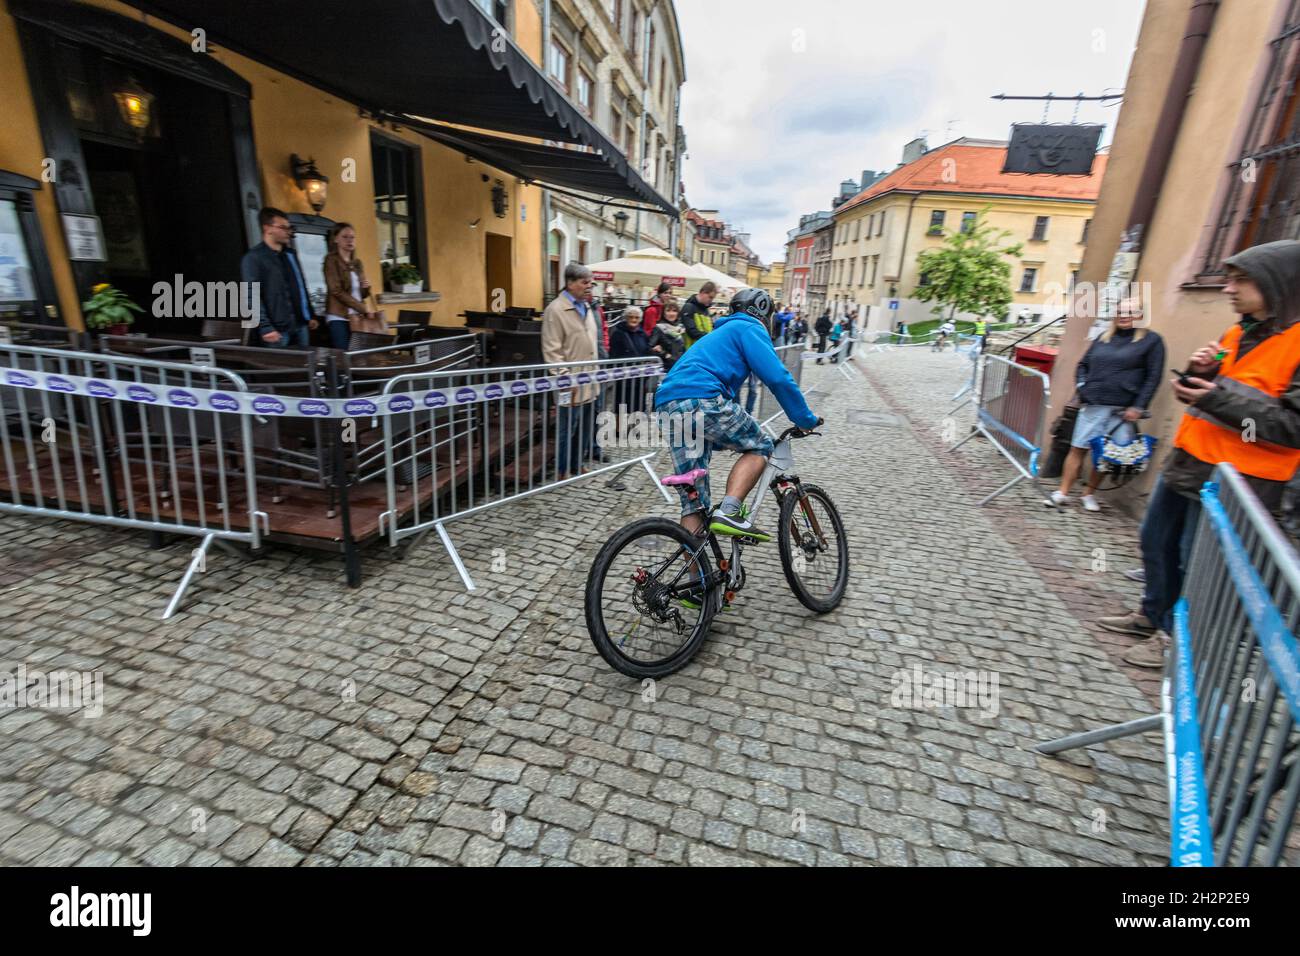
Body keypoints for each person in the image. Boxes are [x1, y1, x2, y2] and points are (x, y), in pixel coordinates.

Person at [1098, 240, 1300, 669]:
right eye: (1228, 278)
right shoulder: (1240, 332)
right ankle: (1152, 615)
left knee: (1201, 564)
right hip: (1192, 461)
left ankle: (1177, 642)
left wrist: (1215, 395)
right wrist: (1198, 376)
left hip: (1242, 478)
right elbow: (1219, 393)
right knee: (1158, 543)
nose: (1229, 288)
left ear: (1280, 284)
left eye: (1242, 280)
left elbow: (1292, 427)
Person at [654, 288, 821, 546]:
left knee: (693, 503)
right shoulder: (749, 328)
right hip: (701, 399)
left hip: (669, 404)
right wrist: (805, 419)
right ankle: (730, 511)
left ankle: (695, 580)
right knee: (760, 445)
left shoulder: (720, 332)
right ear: (764, 313)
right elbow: (777, 378)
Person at [1049, 298, 1165, 512]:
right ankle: (1063, 492)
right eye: (1120, 311)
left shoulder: (1151, 341)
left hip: (1122, 409)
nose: (1123, 315)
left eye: (1129, 312)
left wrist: (1138, 406)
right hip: (1094, 404)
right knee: (1078, 448)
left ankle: (1088, 493)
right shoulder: (1103, 338)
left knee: (1107, 454)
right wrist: (1083, 387)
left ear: (1140, 315)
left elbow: (1153, 377)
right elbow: (1083, 365)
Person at [541, 262, 600, 481]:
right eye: (585, 282)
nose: (589, 287)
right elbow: (552, 351)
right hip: (569, 383)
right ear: (570, 283)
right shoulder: (556, 310)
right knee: (567, 428)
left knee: (585, 426)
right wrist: (564, 379)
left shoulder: (587, 307)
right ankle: (562, 470)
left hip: (590, 379)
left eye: (591, 283)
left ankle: (578, 464)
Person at [242, 207, 316, 349]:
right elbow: (251, 295)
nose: (288, 231)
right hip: (276, 330)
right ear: (267, 228)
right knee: (280, 370)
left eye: (289, 227)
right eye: (283, 227)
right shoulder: (254, 258)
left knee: (304, 368)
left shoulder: (290, 255)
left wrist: (309, 314)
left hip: (300, 326)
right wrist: (265, 327)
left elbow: (300, 285)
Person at [322, 222, 379, 351]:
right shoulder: (331, 260)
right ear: (336, 239)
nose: (349, 240)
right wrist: (363, 308)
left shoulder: (357, 263)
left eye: (352, 237)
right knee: (344, 356)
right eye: (345, 237)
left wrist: (366, 287)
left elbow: (361, 294)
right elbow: (336, 290)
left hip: (357, 317)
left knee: (360, 354)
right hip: (339, 317)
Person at [609, 305, 653, 414]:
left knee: (638, 407)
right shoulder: (618, 333)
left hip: (639, 379)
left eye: (636, 317)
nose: (633, 320)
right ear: (626, 318)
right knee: (621, 408)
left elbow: (646, 350)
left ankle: (635, 429)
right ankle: (620, 431)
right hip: (624, 379)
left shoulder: (643, 334)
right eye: (631, 317)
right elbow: (613, 355)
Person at [648, 300, 687, 371]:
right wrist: (665, 354)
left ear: (678, 313)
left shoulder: (681, 327)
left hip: (679, 366)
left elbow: (682, 347)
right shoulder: (658, 327)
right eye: (668, 310)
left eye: (674, 311)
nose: (671, 313)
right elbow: (650, 347)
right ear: (663, 313)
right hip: (665, 367)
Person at [680, 282, 717, 348]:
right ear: (703, 292)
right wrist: (710, 337)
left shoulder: (706, 310)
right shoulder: (688, 307)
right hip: (691, 350)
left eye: (712, 298)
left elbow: (711, 327)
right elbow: (692, 331)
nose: (711, 300)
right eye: (710, 297)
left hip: (703, 348)